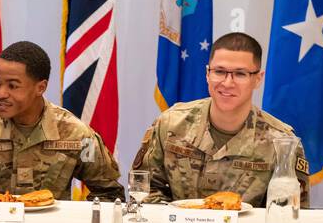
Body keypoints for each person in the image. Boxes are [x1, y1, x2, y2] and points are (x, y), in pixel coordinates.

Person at [131, 32, 309, 207]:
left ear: (258, 79)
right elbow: (143, 191)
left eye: (240, 74)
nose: (227, 83)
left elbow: (290, 213)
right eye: (220, 71)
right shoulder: (171, 124)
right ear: (207, 74)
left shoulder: (282, 141)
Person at [0, 41, 122, 201]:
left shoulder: (78, 135)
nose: (0, 93)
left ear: (40, 87)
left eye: (13, 86)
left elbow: (109, 194)